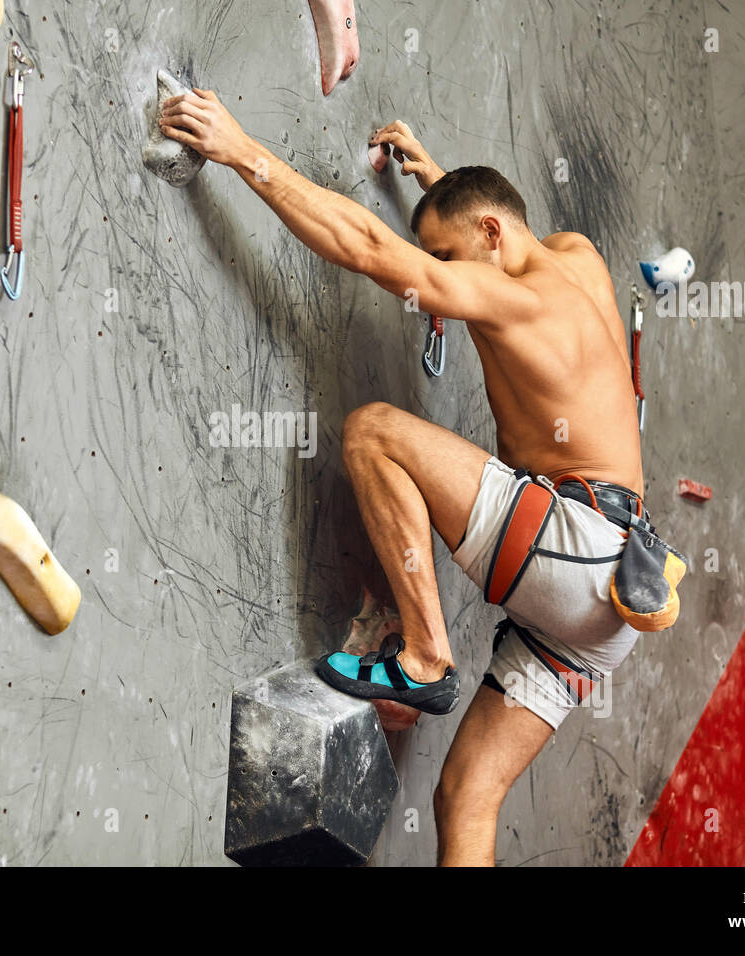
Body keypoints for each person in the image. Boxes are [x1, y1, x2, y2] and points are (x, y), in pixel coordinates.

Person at [160, 93, 648, 866]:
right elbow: (492, 228)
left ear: (489, 234)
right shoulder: (576, 257)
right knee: (466, 799)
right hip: (611, 600)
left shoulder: (513, 294)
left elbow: (368, 249)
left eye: (448, 259)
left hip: (572, 543)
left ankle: (424, 657)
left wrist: (239, 147)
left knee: (374, 434)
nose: (443, 285)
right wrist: (440, 186)